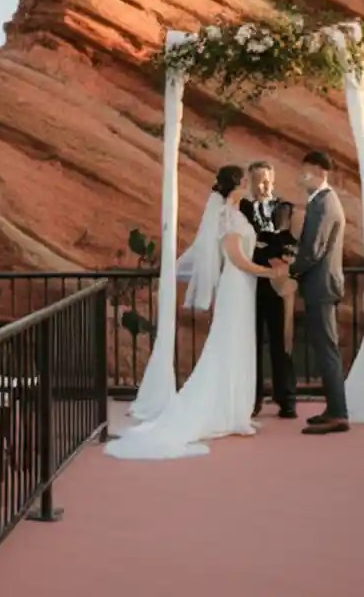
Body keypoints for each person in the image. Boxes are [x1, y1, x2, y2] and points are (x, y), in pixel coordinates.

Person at [105, 165, 287, 460]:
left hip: (245, 290)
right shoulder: (228, 219)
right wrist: (271, 272)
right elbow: (238, 259)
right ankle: (228, 413)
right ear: (236, 186)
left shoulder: (239, 215)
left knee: (240, 349)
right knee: (228, 348)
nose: (249, 186)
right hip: (236, 288)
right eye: (244, 182)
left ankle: (235, 412)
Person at [284, 150, 349, 435]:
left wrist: (292, 271)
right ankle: (333, 409)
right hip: (320, 285)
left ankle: (339, 413)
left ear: (322, 173)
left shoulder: (324, 204)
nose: (302, 176)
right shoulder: (321, 202)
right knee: (324, 349)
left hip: (321, 287)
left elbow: (313, 249)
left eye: (307, 171)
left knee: (327, 350)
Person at [238, 161, 297, 419]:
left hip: (276, 282)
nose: (262, 186)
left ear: (273, 181)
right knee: (252, 342)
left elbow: (280, 238)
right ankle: (253, 398)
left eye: (266, 180)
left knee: (280, 340)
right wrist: (265, 244)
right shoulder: (243, 207)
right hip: (250, 283)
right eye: (257, 180)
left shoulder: (282, 207)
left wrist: (265, 244)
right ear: (250, 182)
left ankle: (286, 397)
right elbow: (250, 241)